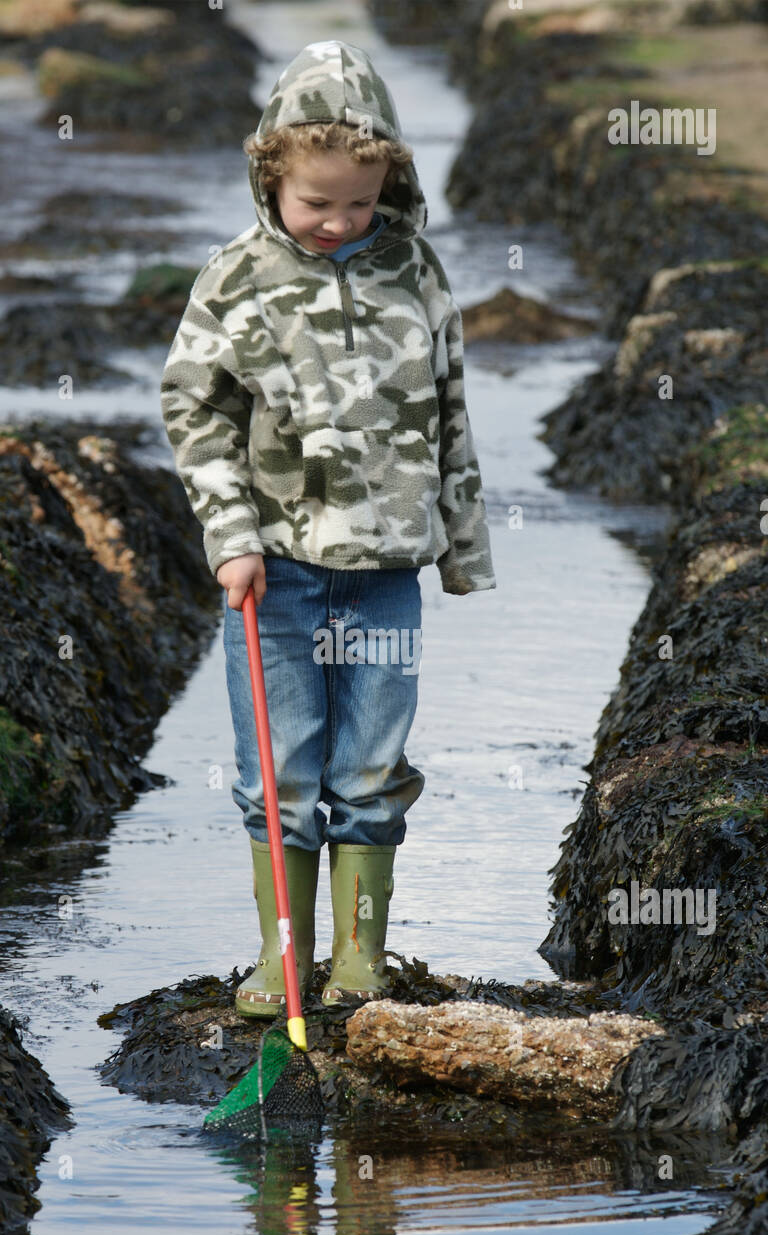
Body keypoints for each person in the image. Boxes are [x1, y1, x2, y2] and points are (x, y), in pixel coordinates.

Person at [160, 39, 495, 1017]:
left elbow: (449, 408)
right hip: (274, 571)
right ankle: (280, 958)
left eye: (359, 200)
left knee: (369, 761)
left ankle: (358, 959)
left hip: (385, 567)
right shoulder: (234, 279)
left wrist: (461, 547)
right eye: (317, 203)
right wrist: (229, 533)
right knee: (279, 763)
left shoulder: (416, 272)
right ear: (270, 176)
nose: (339, 220)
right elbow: (194, 410)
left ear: (389, 175)